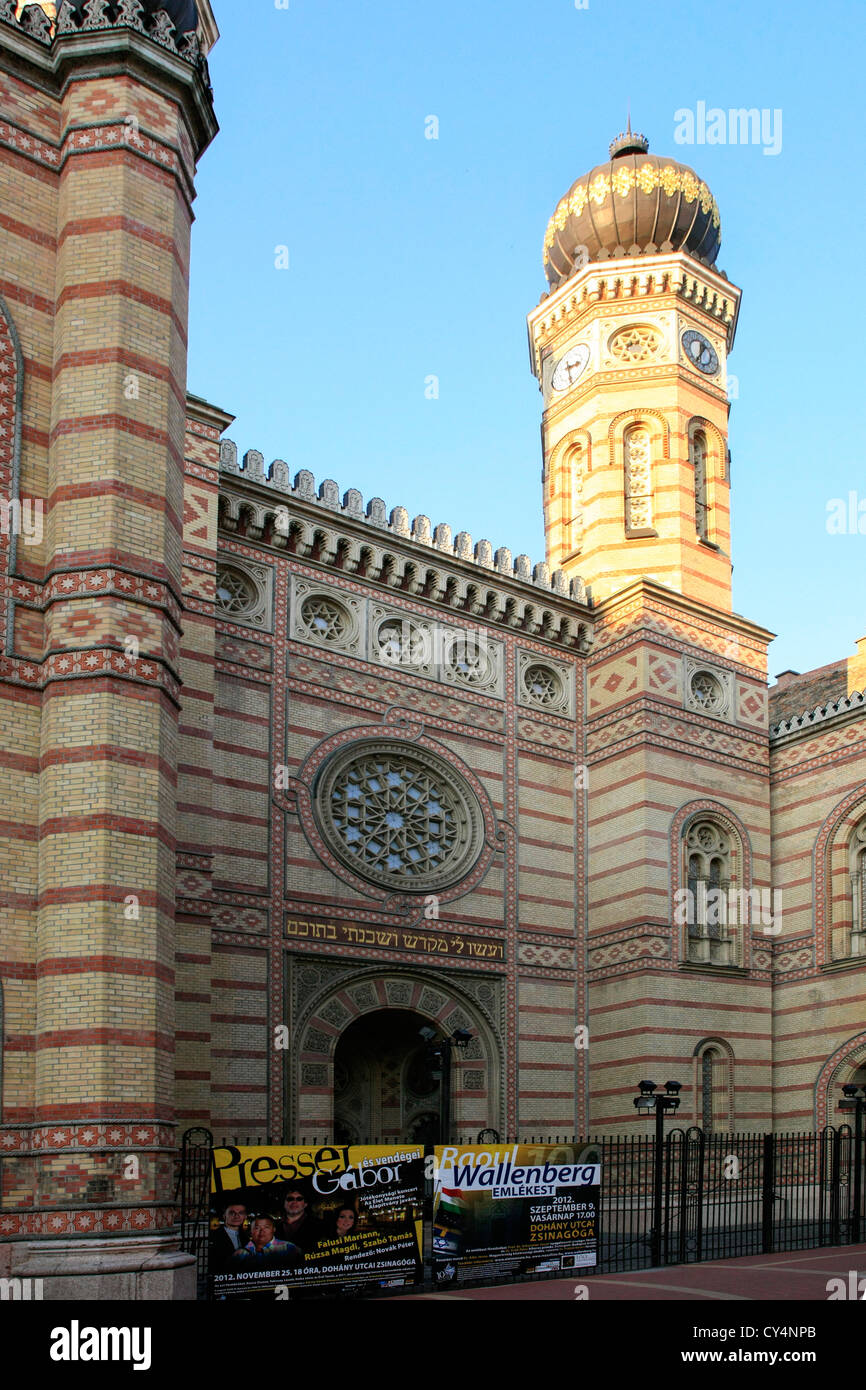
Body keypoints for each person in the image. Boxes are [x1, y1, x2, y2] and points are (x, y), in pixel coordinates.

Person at [232, 1215, 299, 1264]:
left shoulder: (288, 1248)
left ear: (274, 1229)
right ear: (251, 1231)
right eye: (257, 1228)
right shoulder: (240, 1253)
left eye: (266, 1227)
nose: (261, 1231)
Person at [275, 1186, 323, 1252]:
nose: (294, 1202)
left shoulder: (320, 1225)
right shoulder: (273, 1226)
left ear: (305, 1204)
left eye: (299, 1199)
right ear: (284, 1203)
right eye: (290, 1199)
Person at [210, 1201, 250, 1271]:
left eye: (240, 1213)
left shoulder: (246, 1237)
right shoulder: (213, 1236)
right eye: (232, 1213)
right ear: (224, 1216)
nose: (236, 1216)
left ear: (245, 1216)